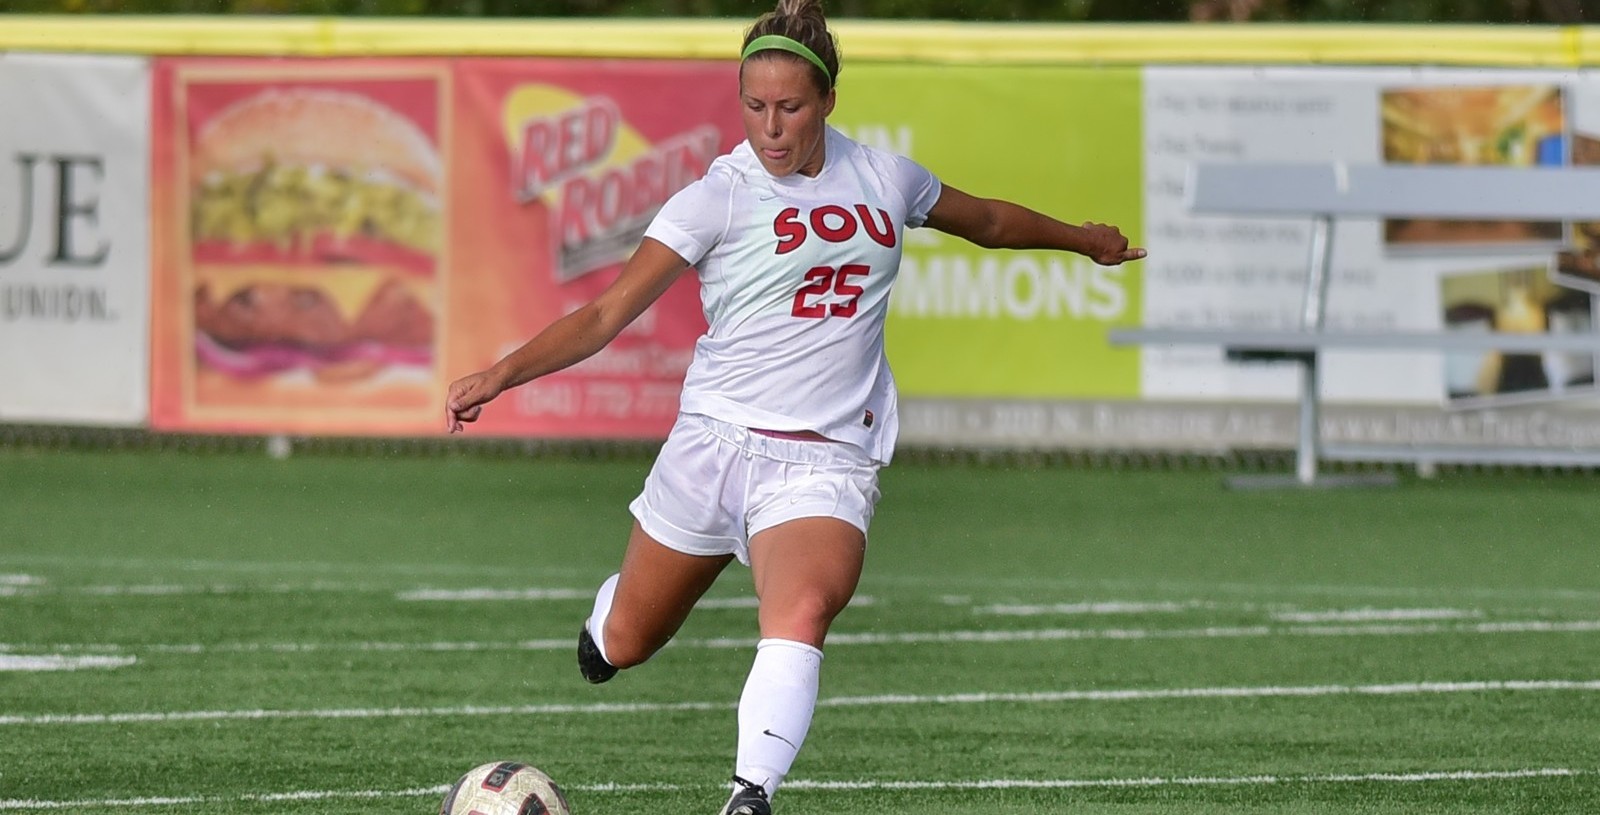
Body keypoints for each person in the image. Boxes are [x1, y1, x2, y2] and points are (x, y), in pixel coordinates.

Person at [444, 1, 1145, 812]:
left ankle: (751, 794)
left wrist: (1081, 239)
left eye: (790, 107)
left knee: (801, 609)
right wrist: (500, 374)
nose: (770, 128)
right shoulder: (717, 196)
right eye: (754, 106)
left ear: (828, 101)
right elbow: (605, 315)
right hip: (712, 447)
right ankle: (606, 624)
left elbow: (986, 220)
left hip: (826, 458)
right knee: (627, 640)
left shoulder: (886, 178)